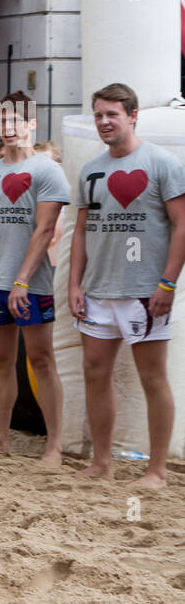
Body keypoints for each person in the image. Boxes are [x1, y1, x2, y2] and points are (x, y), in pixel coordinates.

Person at [70, 82, 185, 488]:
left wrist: (167, 284)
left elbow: (181, 225)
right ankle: (103, 462)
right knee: (94, 371)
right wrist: (74, 285)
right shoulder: (91, 169)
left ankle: (156, 471)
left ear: (132, 116)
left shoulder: (162, 163)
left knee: (153, 379)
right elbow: (81, 232)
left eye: (112, 114)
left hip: (143, 291)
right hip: (98, 290)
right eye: (99, 114)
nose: (104, 121)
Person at [0, 92, 70, 467]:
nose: (9, 128)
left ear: (32, 124)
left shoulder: (47, 169)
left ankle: (55, 445)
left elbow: (45, 231)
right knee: (0, 360)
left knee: (42, 360)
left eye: (16, 121)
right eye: (3, 121)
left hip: (33, 283)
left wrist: (22, 281)